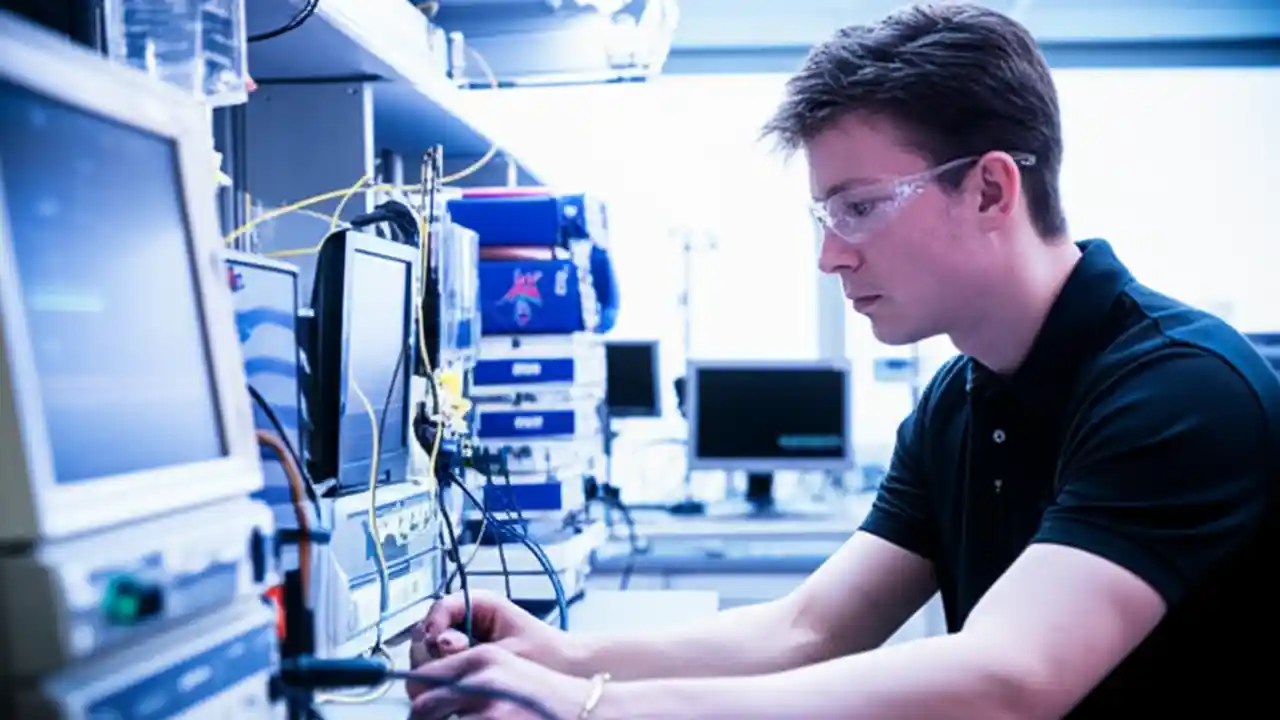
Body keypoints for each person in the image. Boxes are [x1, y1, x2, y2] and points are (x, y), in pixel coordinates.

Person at [405, 3, 1280, 718]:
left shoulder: (1182, 390)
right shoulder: (958, 402)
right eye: (825, 216)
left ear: (989, 189)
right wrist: (563, 654)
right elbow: (810, 630)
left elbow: (1014, 677)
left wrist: (587, 704)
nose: (831, 258)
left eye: (859, 208)